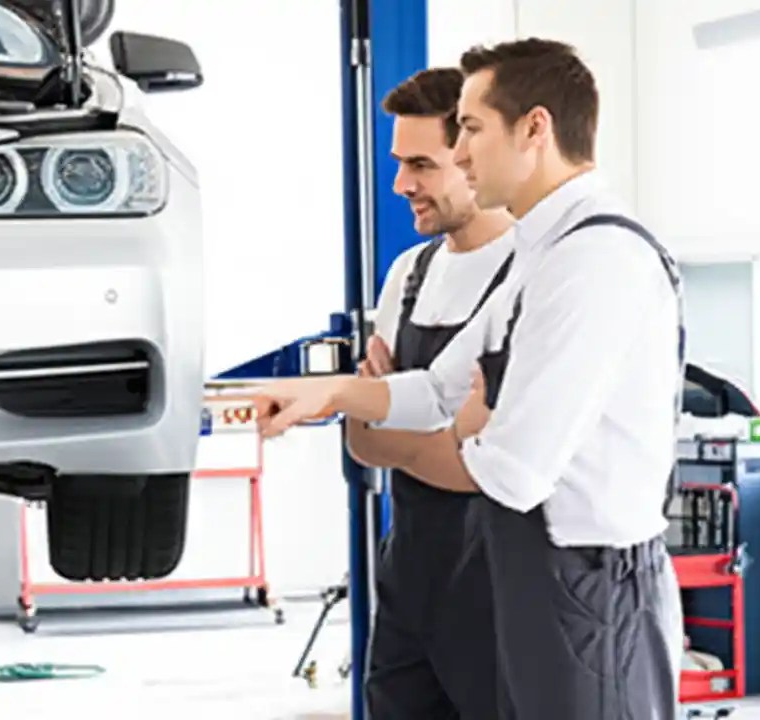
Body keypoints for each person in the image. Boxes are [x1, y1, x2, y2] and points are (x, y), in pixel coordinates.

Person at [255, 38, 684, 720]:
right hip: (535, 580)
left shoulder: (596, 261)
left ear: (535, 129)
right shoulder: (541, 257)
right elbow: (436, 387)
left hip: (591, 586)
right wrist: (326, 395)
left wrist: (413, 442)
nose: (460, 154)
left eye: (474, 129)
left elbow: (513, 471)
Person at [351, 67, 514, 720]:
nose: (400, 185)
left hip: (503, 593)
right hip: (410, 586)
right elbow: (362, 441)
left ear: (475, 155)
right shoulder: (408, 275)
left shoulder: (530, 276)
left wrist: (388, 420)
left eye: (421, 164)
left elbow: (498, 455)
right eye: (399, 163)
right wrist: (444, 436)